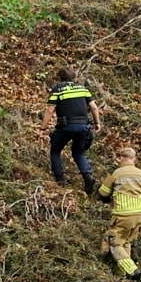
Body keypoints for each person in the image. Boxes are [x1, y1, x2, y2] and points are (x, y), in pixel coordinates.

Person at [97, 146, 141, 282]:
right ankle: (122, 276)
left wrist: (110, 200)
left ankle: (132, 271)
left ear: (120, 158)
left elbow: (102, 194)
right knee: (126, 241)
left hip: (123, 214)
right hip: (139, 214)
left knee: (114, 243)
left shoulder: (116, 174)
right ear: (134, 159)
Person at [46, 67, 102, 195]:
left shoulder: (58, 89)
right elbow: (93, 107)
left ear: (60, 76)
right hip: (84, 126)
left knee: (55, 150)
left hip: (66, 126)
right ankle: (88, 177)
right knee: (78, 152)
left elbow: (50, 110)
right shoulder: (83, 89)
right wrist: (97, 122)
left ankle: (60, 180)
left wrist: (43, 128)